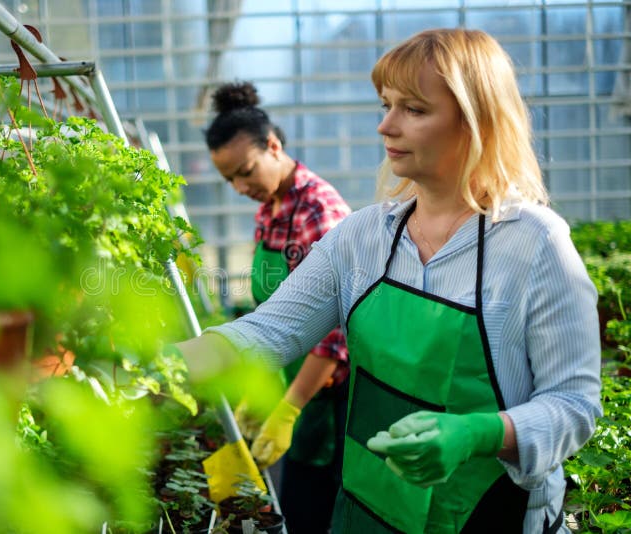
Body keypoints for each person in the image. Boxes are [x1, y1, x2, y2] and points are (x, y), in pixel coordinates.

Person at [178, 29, 602, 533]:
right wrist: (157, 368)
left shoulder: (535, 245)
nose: (385, 126)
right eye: (386, 105)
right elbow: (269, 331)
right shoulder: (363, 237)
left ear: (476, 122)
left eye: (414, 110)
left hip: (489, 516)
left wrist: (476, 433)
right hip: (369, 509)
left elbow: (574, 407)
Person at [204, 81, 351, 533]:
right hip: (290, 376)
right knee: (287, 501)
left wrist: (288, 408)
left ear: (273, 146)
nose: (239, 186)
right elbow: (273, 308)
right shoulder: (270, 208)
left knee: (314, 510)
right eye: (229, 179)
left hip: (323, 392)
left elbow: (333, 332)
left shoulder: (318, 211)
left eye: (245, 171)